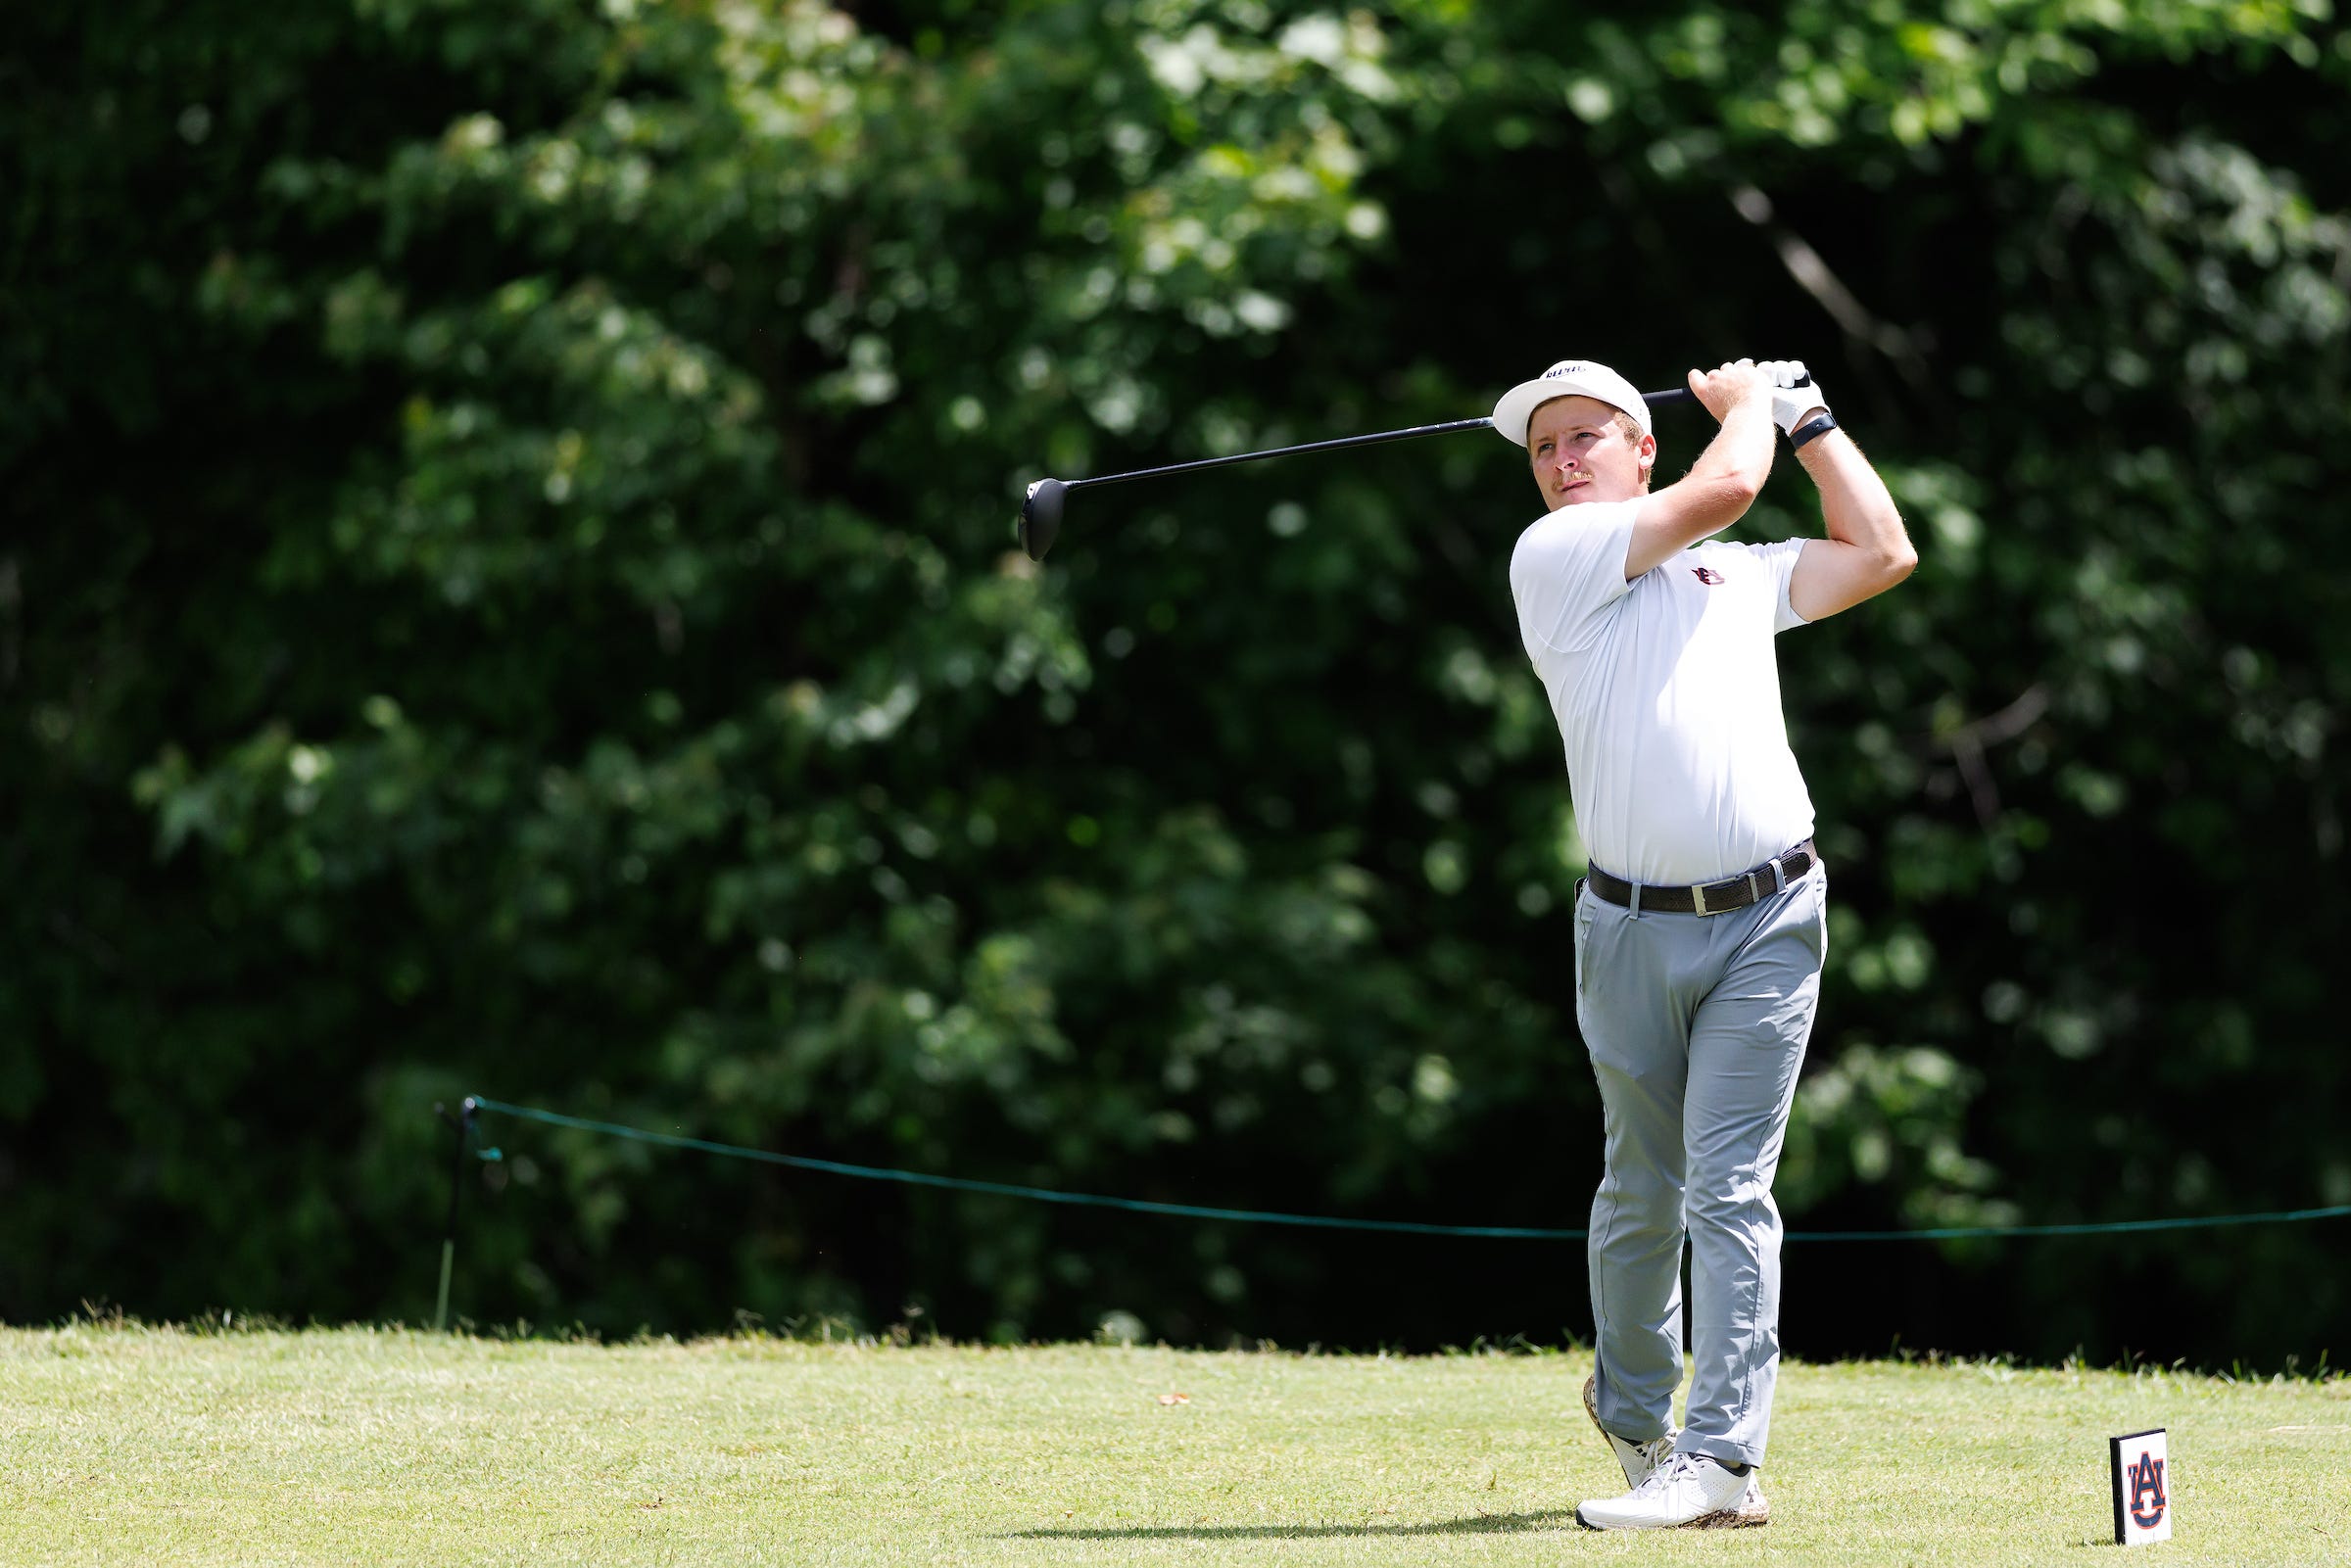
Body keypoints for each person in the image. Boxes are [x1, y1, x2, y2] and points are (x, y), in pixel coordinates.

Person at [1490, 356, 1915, 1531]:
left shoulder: (1730, 574)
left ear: (1642, 448)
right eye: (1544, 448)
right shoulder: (1557, 557)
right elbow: (1728, 484)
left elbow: (1882, 553)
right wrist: (1746, 410)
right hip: (1628, 929)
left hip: (1772, 915)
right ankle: (1635, 1413)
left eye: (1588, 438)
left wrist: (1810, 418)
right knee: (1644, 1190)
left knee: (1734, 1188)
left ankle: (1722, 1461)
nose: (1564, 461)